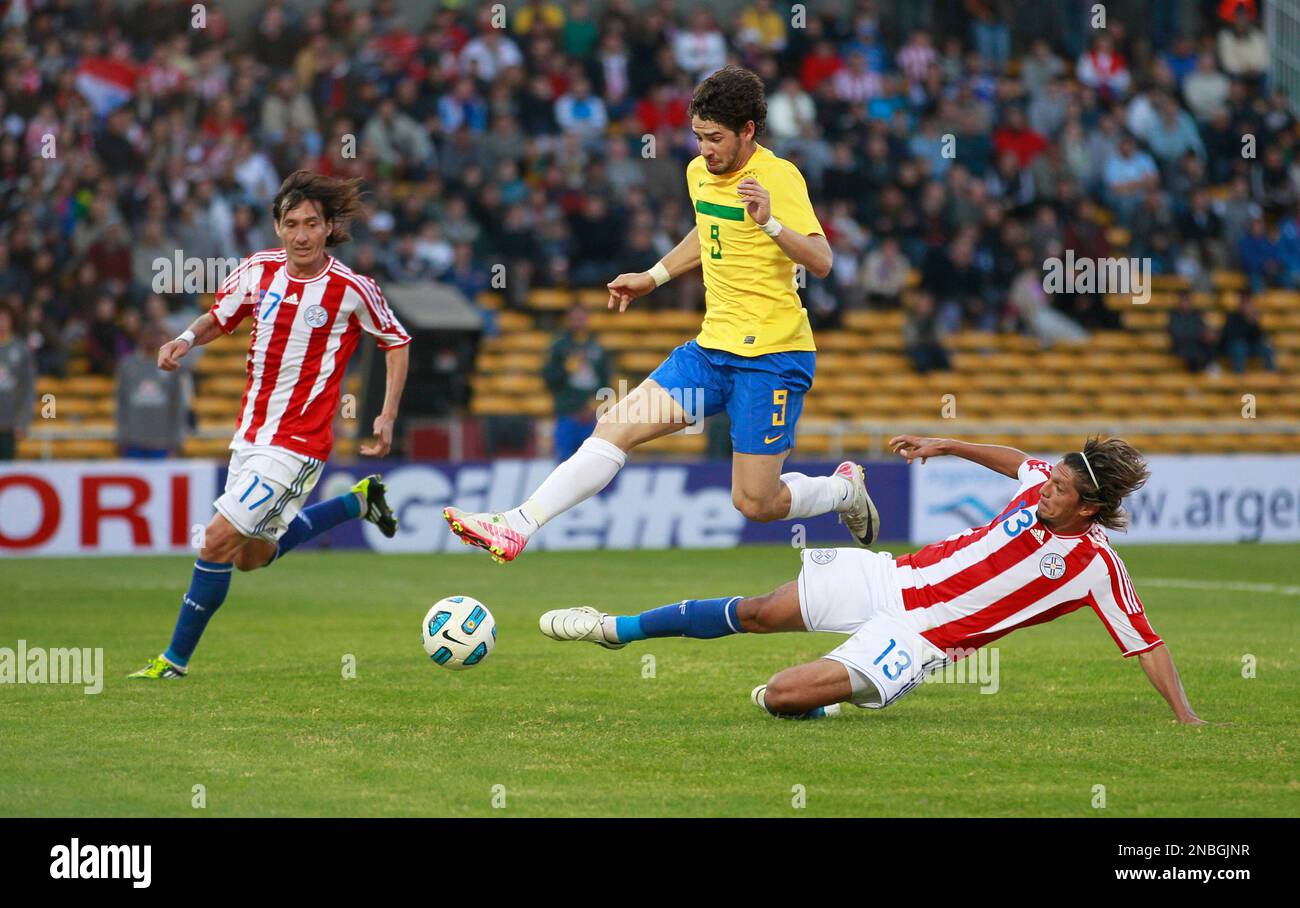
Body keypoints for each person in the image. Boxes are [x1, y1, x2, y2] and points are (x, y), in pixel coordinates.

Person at [444, 65, 877, 563]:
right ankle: (518, 524)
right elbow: (709, 230)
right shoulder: (699, 173)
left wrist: (771, 222)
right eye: (698, 137)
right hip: (711, 353)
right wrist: (653, 276)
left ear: (748, 131)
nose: (704, 149)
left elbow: (822, 261)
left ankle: (843, 491)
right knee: (615, 427)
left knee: (755, 502)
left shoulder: (778, 177)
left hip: (774, 357)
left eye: (715, 138)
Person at [540, 435, 1206, 726]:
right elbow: (1018, 462)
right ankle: (615, 629)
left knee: (777, 697)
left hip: (917, 640)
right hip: (892, 577)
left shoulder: (1096, 567)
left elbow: (1145, 641)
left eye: (1059, 488)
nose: (1043, 487)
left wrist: (1185, 716)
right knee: (761, 609)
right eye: (1051, 477)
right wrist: (948, 446)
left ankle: (821, 700)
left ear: (1087, 508)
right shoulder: (1041, 486)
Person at [129, 171, 412, 680]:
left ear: (328, 228)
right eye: (291, 224)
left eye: (311, 223)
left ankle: (172, 663)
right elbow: (221, 315)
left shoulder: (351, 289)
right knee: (249, 558)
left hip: (298, 445)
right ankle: (357, 501)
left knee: (214, 540)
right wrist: (184, 340)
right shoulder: (258, 269)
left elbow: (397, 341)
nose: (301, 234)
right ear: (278, 229)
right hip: (250, 436)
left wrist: (387, 413)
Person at [543, 304, 611, 461]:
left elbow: (605, 381)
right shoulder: (559, 347)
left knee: (592, 462)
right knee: (563, 462)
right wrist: (565, 369)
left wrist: (594, 406)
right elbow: (549, 379)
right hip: (567, 414)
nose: (578, 322)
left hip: (590, 415)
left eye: (581, 318)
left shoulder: (597, 347)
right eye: (575, 319)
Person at [116, 323, 187, 458]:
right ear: (140, 338)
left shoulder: (171, 367)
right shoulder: (127, 366)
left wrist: (176, 441)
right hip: (133, 439)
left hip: (162, 441)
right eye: (148, 336)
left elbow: (177, 405)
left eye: (155, 336)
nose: (151, 340)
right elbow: (121, 403)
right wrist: (120, 437)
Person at [0, 302, 35, 461]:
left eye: (4, 317)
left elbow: (28, 388)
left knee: (6, 470)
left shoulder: (21, 349)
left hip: (9, 423)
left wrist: (23, 421)